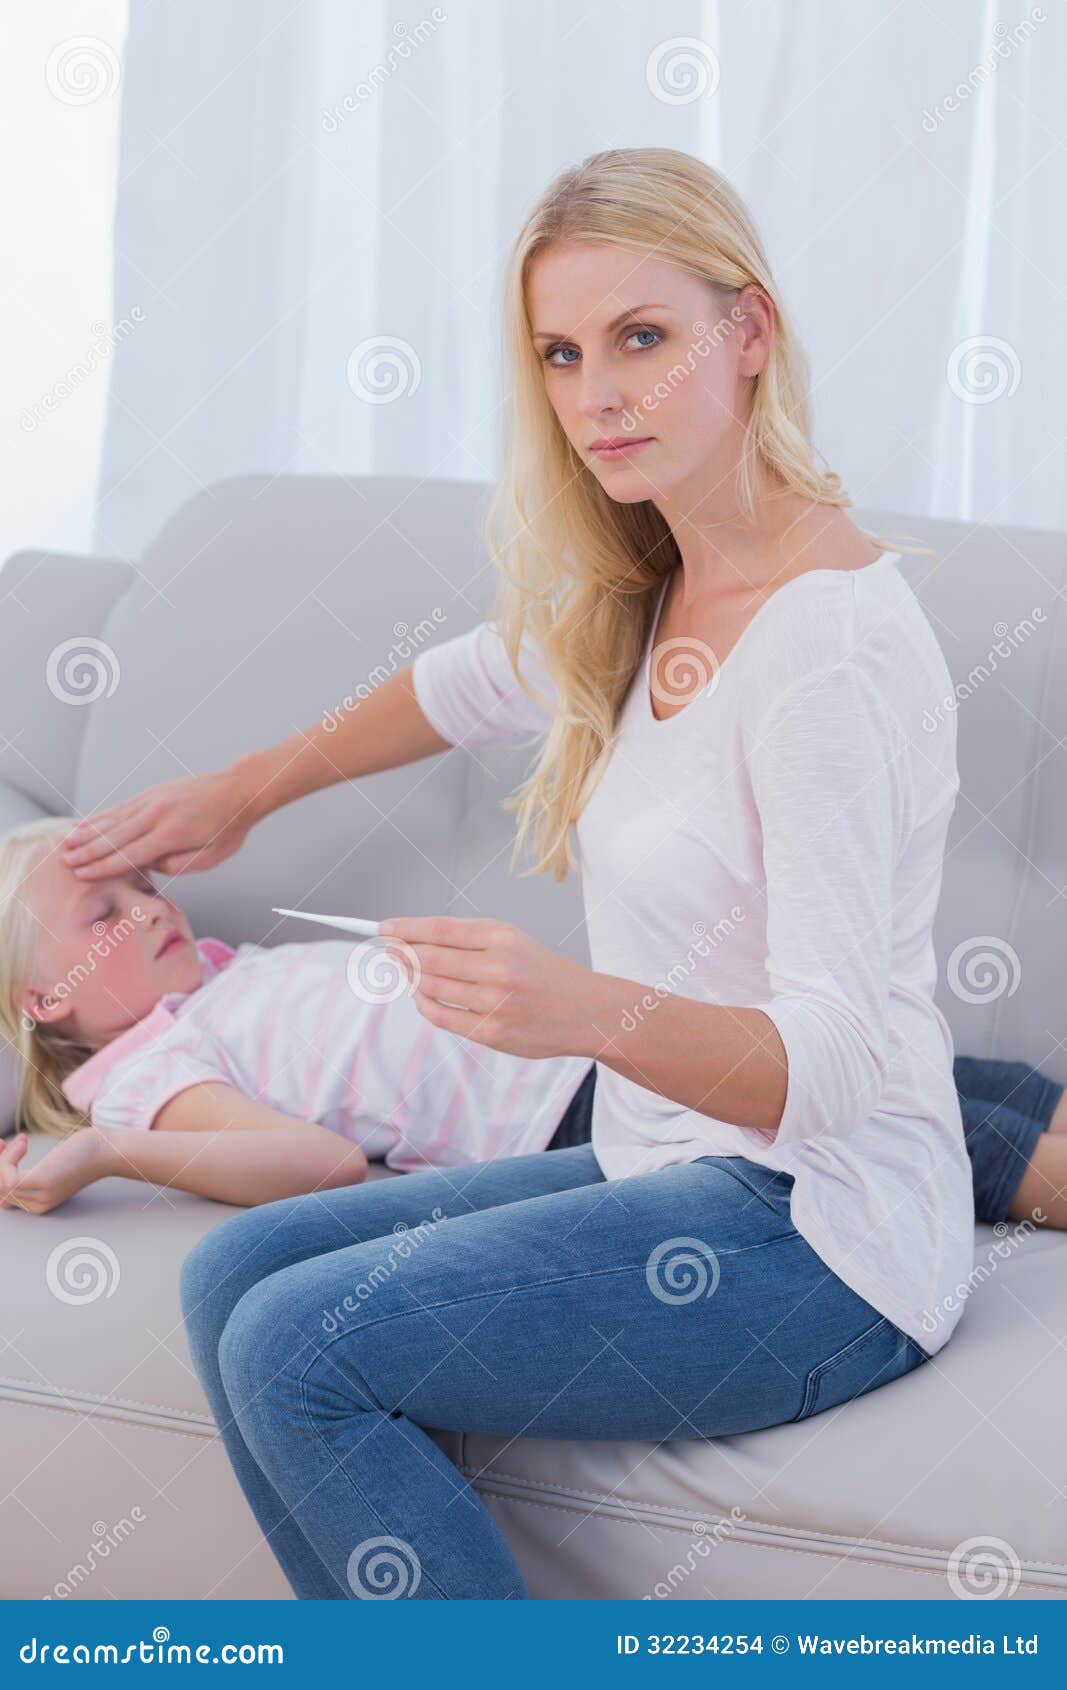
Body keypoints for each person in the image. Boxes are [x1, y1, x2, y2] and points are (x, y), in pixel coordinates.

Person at [53, 147, 981, 1600]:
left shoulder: (826, 652)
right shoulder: (657, 583)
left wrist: (577, 1013)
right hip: (660, 1163)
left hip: (822, 1241)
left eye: (641, 339)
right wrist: (241, 789)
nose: (596, 393)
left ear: (748, 334)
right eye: (560, 353)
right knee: (227, 1280)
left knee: (297, 1347)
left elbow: (843, 1073)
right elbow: (462, 681)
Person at [0, 816, 592, 1214]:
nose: (148, 910)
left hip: (567, 1030)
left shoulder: (214, 976)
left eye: (144, 886)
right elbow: (326, 1162)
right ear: (48, 999)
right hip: (547, 1113)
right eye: (104, 913)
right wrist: (108, 1152)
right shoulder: (142, 1076)